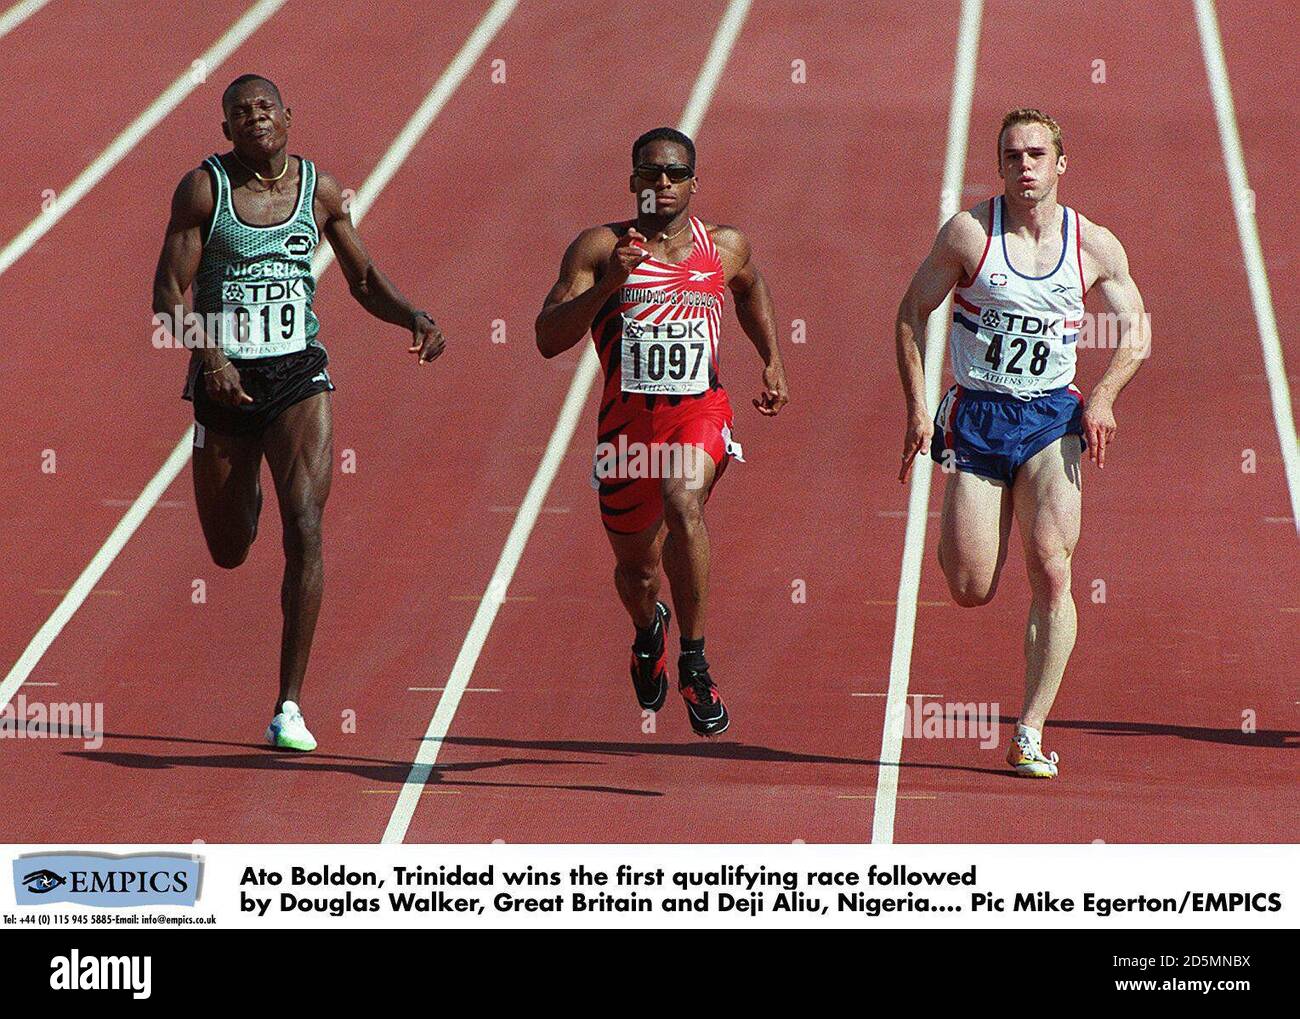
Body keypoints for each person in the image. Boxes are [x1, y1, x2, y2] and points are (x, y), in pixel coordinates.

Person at [151, 74, 446, 751]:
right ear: (225, 130)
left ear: (289, 116)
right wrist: (212, 358)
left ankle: (288, 703)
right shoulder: (205, 190)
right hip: (224, 381)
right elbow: (168, 295)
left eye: (264, 107)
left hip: (297, 374)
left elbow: (363, 280)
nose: (253, 117)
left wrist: (415, 316)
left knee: (307, 525)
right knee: (228, 551)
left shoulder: (320, 190)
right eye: (238, 112)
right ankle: (244, 479)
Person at [896, 108, 1148, 777]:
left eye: (1037, 154)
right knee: (971, 586)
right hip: (977, 419)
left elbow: (1138, 328)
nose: (1025, 167)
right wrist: (920, 408)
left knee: (1052, 566)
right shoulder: (969, 235)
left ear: (1061, 164)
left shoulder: (1092, 245)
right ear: (1000, 164)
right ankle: (973, 523)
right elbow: (911, 310)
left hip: (1050, 421)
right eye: (1013, 156)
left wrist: (1103, 396)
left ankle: (1029, 729)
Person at [536, 128, 789, 736]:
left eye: (676, 174)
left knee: (683, 502)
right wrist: (607, 287)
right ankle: (649, 629)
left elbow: (751, 287)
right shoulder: (600, 247)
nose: (664, 185)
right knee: (637, 574)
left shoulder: (723, 246)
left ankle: (695, 661)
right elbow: (547, 338)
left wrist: (772, 358)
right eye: (651, 174)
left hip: (697, 413)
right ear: (632, 182)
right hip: (625, 430)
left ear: (694, 184)